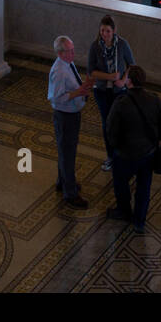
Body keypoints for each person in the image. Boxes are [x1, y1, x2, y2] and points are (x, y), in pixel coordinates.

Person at [105, 64, 161, 234]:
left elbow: (111, 129)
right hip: (147, 153)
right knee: (144, 187)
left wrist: (115, 146)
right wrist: (157, 138)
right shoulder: (154, 99)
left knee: (121, 184)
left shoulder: (121, 102)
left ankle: (124, 211)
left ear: (130, 81)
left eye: (126, 76)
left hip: (125, 154)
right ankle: (139, 220)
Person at [47, 36, 92, 208]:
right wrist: (79, 92)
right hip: (65, 116)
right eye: (70, 51)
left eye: (73, 49)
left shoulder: (68, 64)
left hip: (72, 113)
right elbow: (57, 98)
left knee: (66, 150)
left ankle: (63, 181)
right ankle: (70, 193)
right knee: (68, 154)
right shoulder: (59, 71)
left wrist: (84, 87)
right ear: (60, 53)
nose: (74, 53)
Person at [87, 15, 135, 171]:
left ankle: (123, 156)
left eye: (107, 31)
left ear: (114, 31)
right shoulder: (95, 47)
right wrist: (109, 77)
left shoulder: (122, 44)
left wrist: (122, 80)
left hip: (119, 91)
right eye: (102, 31)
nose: (104, 34)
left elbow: (131, 65)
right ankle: (111, 156)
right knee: (107, 124)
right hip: (102, 91)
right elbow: (91, 72)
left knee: (121, 123)